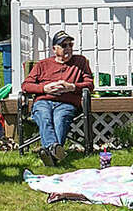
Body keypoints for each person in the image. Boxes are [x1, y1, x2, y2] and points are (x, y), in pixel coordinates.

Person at [20, 32, 95, 165]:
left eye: (70, 44)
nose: (68, 48)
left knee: (60, 119)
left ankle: (50, 153)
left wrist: (71, 87)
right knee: (44, 117)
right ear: (54, 48)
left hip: (66, 103)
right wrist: (44, 88)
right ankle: (54, 151)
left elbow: (89, 85)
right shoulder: (42, 65)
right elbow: (26, 85)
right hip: (43, 101)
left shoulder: (80, 62)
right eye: (63, 45)